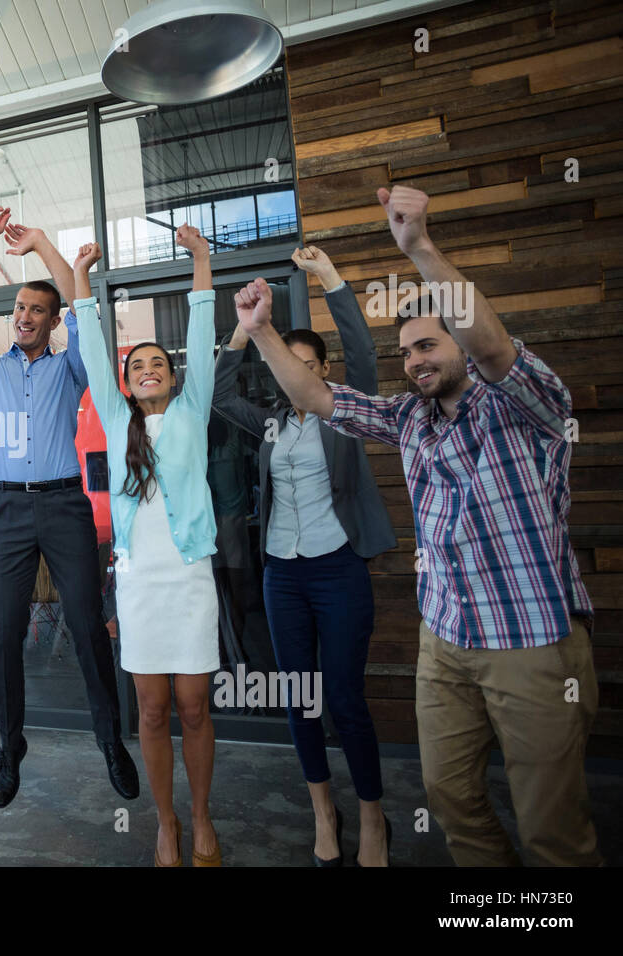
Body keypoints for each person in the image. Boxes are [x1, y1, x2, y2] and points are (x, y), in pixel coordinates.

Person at [234, 186, 601, 867]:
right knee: (453, 803)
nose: (415, 361)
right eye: (406, 352)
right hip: (446, 641)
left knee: (552, 831)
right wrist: (259, 330)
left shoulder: (526, 404)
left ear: (460, 337)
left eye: (428, 344)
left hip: (530, 641)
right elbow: (316, 395)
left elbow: (494, 352)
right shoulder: (407, 419)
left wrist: (420, 249)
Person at [0, 208, 138, 808]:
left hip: (62, 506)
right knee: (5, 634)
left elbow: (85, 312)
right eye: (19, 309)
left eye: (36, 310)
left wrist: (47, 247)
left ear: (52, 322)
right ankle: (10, 746)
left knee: (86, 624)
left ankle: (109, 739)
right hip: (4, 510)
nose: (24, 317)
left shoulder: (69, 369)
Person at [213, 245, 397, 867]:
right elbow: (217, 388)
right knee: (300, 698)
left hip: (338, 568)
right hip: (282, 576)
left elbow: (364, 353)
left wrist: (329, 278)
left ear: (322, 372)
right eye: (287, 364)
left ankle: (373, 816)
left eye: (309, 366)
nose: (297, 375)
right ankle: (325, 810)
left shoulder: (346, 415)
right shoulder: (267, 424)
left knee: (344, 699)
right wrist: (245, 326)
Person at [74, 227, 222, 867]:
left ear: (174, 373)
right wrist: (80, 278)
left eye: (157, 361)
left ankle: (202, 816)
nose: (147, 368)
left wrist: (201, 261)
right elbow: (90, 349)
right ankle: (165, 823)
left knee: (193, 707)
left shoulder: (194, 411)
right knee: (154, 710)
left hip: (190, 581)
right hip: (138, 585)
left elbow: (200, 331)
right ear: (128, 384)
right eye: (137, 366)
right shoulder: (116, 419)